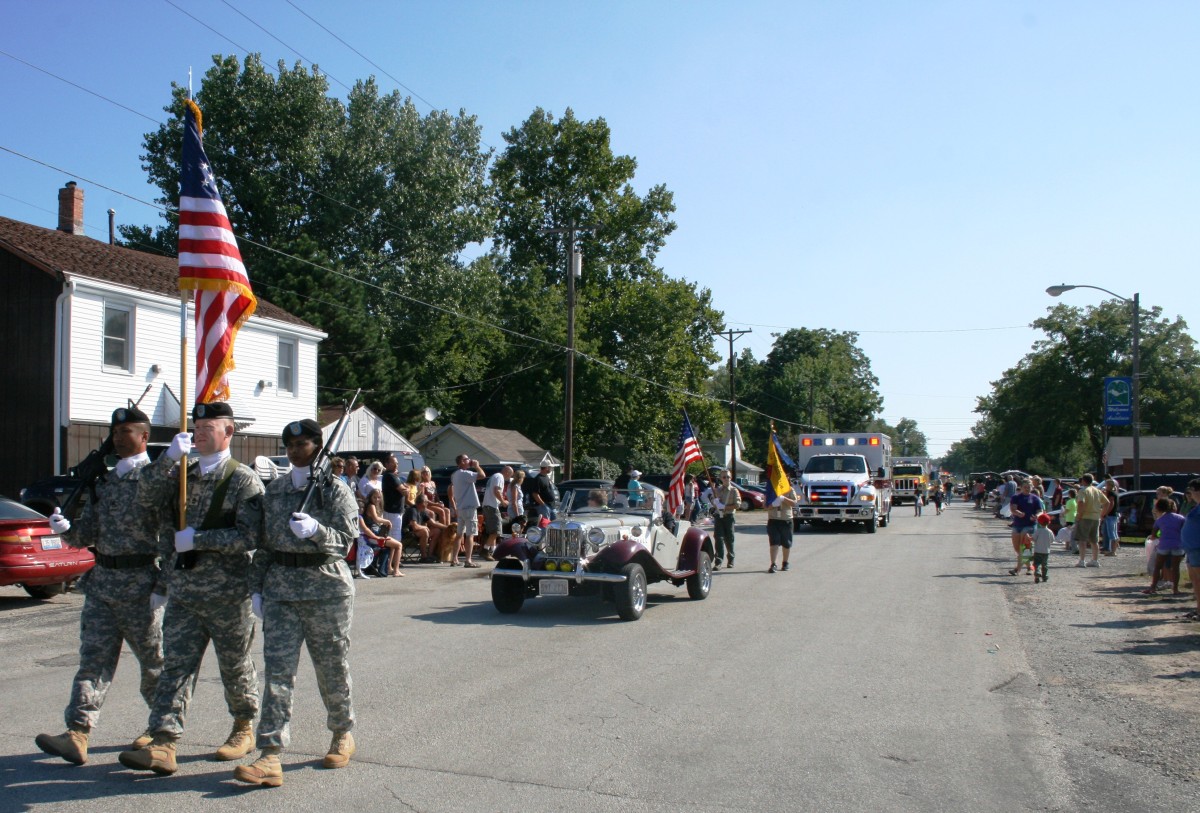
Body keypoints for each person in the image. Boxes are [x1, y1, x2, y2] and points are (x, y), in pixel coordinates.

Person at [119, 401, 264, 775]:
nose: (198, 433)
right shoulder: (183, 473)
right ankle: (165, 741)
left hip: (227, 595)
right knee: (177, 668)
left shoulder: (242, 479)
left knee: (235, 666)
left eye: (207, 428)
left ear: (228, 432)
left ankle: (244, 726)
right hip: (184, 592)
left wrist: (200, 538)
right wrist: (168, 458)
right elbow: (145, 498)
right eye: (195, 428)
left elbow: (250, 536)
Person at [35, 407, 173, 766]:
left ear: (144, 437)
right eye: (115, 431)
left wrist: (164, 584)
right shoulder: (107, 481)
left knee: (154, 664)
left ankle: (162, 736)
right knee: (93, 661)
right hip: (102, 583)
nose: (117, 436)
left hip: (140, 584)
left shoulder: (156, 480)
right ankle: (77, 733)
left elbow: (171, 537)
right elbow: (88, 534)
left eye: (126, 431)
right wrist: (66, 529)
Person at [234, 418, 359, 787]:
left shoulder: (335, 491)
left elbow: (346, 543)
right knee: (278, 672)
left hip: (326, 588)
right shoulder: (275, 492)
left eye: (302, 444)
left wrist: (316, 531)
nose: (293, 451)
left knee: (331, 666)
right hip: (282, 591)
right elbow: (265, 547)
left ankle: (342, 732)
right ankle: (270, 754)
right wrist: (256, 589)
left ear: (317, 446)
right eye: (289, 445)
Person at [449, 454, 486, 568]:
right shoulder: (464, 473)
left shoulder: (455, 474)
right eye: (466, 459)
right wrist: (477, 466)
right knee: (470, 535)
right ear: (460, 462)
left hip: (461, 508)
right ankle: (468, 560)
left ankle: (454, 559)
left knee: (459, 534)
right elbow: (482, 475)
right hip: (469, 508)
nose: (469, 460)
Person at [1144, 498, 1186, 596]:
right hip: (1178, 545)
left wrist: (1158, 537)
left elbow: (1153, 535)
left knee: (1158, 567)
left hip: (1164, 545)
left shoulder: (1159, 520)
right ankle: (1175, 589)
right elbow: (1184, 530)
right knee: (1175, 568)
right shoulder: (1180, 518)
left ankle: (1153, 587)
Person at [1073, 473, 1109, 568]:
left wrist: (1079, 515)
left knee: (1082, 540)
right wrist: (1102, 514)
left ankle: (1082, 560)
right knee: (1094, 540)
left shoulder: (1083, 490)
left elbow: (1081, 502)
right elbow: (1107, 503)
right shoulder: (1097, 490)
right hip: (1096, 517)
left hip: (1085, 517)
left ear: (1083, 481)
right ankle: (1095, 560)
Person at [1008, 480, 1043, 576]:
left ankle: (1017, 569)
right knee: (1017, 549)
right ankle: (1029, 566)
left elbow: (1040, 511)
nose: (1027, 488)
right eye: (1025, 487)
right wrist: (1018, 513)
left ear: (1032, 487)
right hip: (1017, 524)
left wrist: (1037, 516)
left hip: (1030, 525)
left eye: (1029, 487)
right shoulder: (1016, 497)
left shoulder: (1035, 498)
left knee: (1024, 546)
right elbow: (1013, 509)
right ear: (1021, 487)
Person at [481, 465, 511, 560]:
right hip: (492, 506)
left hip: (488, 505)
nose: (509, 478)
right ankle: (485, 551)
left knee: (493, 531)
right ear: (507, 472)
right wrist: (503, 501)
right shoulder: (500, 477)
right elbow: (496, 490)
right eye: (510, 475)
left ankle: (493, 552)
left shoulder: (494, 476)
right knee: (496, 531)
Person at [710, 469, 739, 569]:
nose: (726, 479)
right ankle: (718, 561)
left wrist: (724, 507)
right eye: (724, 477)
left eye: (728, 477)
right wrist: (715, 502)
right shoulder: (717, 490)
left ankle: (731, 559)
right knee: (718, 538)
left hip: (729, 517)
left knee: (729, 539)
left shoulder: (734, 490)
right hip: (719, 517)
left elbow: (737, 505)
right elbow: (713, 502)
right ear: (720, 479)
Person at [1180, 479, 1200, 621]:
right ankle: (1198, 610)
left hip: (1198, 548)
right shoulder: (1196, 507)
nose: (1190, 494)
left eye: (1192, 491)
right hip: (1191, 549)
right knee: (1195, 581)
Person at [767, 486, 798, 573]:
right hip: (773, 519)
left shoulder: (790, 489)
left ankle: (785, 562)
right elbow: (765, 506)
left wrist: (783, 498)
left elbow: (794, 503)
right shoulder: (770, 489)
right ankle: (773, 564)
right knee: (774, 543)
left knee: (786, 543)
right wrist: (773, 504)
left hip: (786, 520)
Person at [380, 454, 406, 546]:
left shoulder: (395, 476)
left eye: (397, 463)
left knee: (393, 536)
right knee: (395, 537)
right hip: (392, 511)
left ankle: (392, 558)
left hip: (396, 511)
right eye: (393, 463)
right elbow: (404, 491)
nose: (396, 465)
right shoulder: (390, 476)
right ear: (386, 464)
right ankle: (394, 559)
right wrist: (408, 489)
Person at [1031, 512, 1055, 584]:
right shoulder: (1050, 531)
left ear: (1039, 522)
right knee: (1045, 564)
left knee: (1037, 563)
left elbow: (1034, 539)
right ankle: (1045, 576)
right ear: (1049, 522)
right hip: (1046, 551)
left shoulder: (1038, 531)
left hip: (1038, 550)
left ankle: (1037, 573)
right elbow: (1052, 540)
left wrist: (1030, 538)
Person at [1101, 477, 1120, 555]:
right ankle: (1112, 550)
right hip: (1114, 515)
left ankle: (1113, 551)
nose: (1105, 486)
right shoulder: (1114, 493)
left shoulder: (1111, 494)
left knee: (1111, 533)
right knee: (1114, 533)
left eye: (1106, 485)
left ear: (1109, 485)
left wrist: (1105, 513)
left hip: (1110, 516)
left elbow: (1111, 504)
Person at [506, 469, 526, 534]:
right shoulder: (515, 486)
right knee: (519, 526)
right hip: (516, 509)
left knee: (516, 527)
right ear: (521, 478)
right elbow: (515, 501)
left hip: (513, 508)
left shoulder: (511, 485)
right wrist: (518, 516)